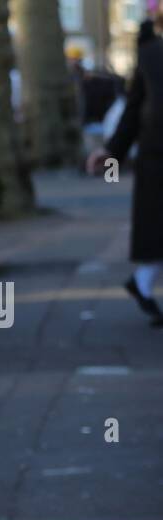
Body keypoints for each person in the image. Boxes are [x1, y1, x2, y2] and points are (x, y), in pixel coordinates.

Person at [87, 9, 163, 327]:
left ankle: (142, 283)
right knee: (157, 227)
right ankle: (142, 283)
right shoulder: (150, 55)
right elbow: (133, 109)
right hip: (157, 158)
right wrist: (111, 150)